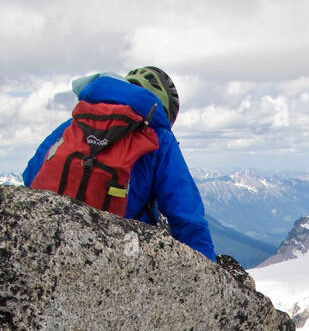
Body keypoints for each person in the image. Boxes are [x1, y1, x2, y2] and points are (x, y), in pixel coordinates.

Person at [23, 67, 216, 261]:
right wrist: (210, 275)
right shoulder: (160, 138)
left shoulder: (74, 123)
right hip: (116, 256)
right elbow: (186, 216)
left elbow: (31, 175)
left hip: (47, 241)